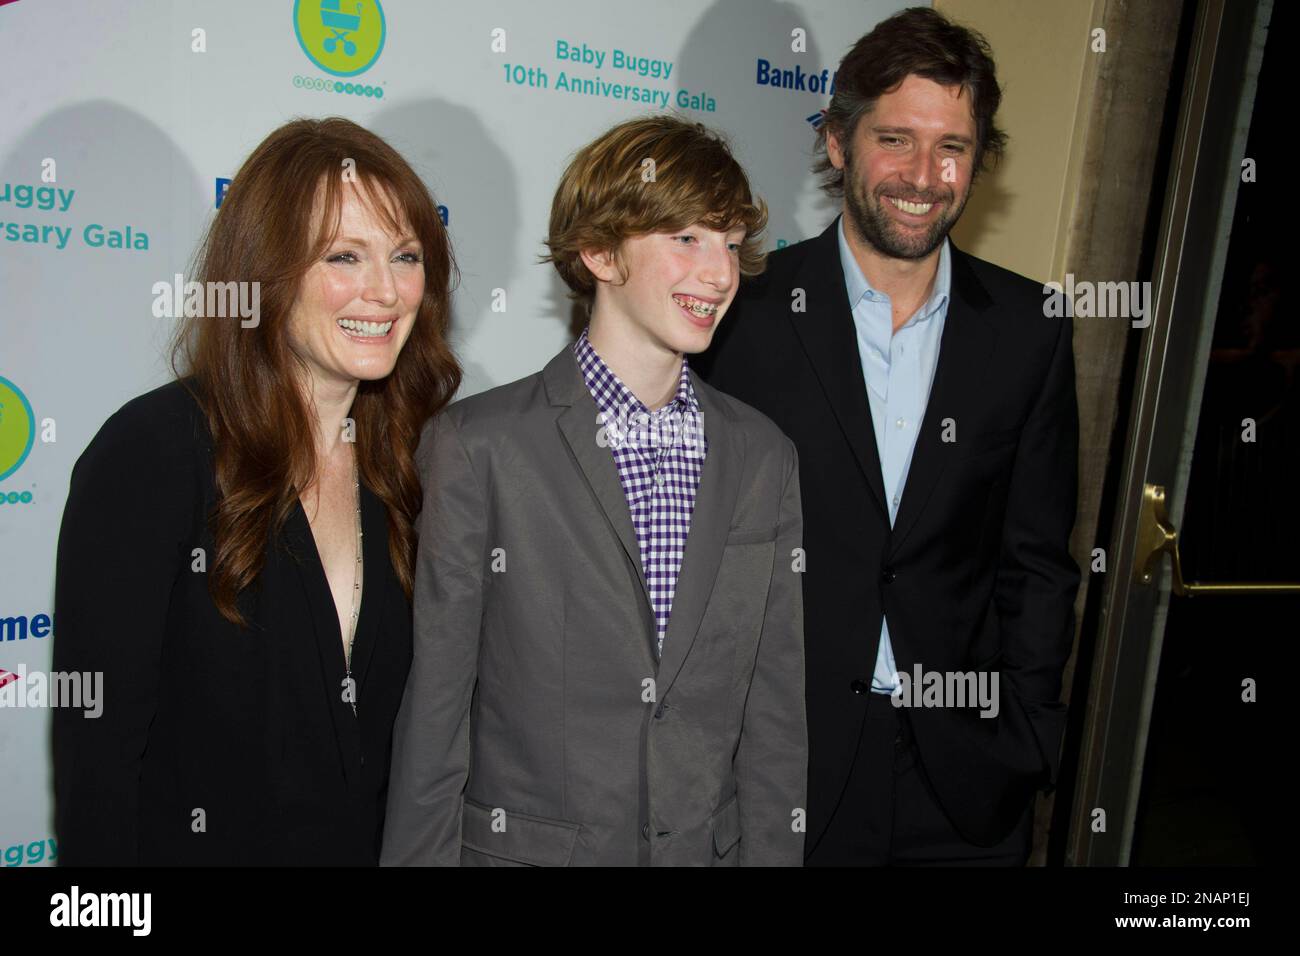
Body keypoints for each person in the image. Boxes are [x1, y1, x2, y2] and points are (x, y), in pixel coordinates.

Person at [695, 6, 1081, 865]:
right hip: (776, 765)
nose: (923, 174)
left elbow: (1038, 563)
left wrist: (1028, 736)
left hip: (963, 776)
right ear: (837, 142)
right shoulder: (742, 316)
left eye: (953, 147)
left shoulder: (1030, 328)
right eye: (895, 139)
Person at [381, 115, 806, 866]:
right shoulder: (480, 446)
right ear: (600, 251)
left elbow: (773, 715)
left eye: (731, 245)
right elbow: (438, 712)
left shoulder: (762, 455)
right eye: (687, 239)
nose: (719, 274)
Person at [52, 117, 461, 865]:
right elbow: (97, 764)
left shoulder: (413, 461)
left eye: (406, 256)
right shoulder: (153, 452)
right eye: (345, 255)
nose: (386, 290)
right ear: (267, 273)